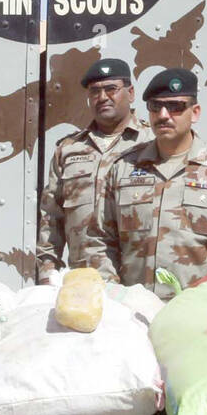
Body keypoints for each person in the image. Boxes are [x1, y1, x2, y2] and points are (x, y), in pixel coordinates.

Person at [82, 68, 207, 297]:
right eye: (155, 106)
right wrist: (114, 293)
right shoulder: (123, 167)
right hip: (135, 309)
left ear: (195, 112)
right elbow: (100, 238)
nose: (163, 115)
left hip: (203, 312)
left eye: (175, 106)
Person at [35, 58, 151, 281]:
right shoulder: (68, 150)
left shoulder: (153, 144)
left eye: (111, 89)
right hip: (85, 282)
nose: (103, 97)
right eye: (95, 92)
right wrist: (47, 273)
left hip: (140, 284)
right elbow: (51, 218)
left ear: (131, 93)